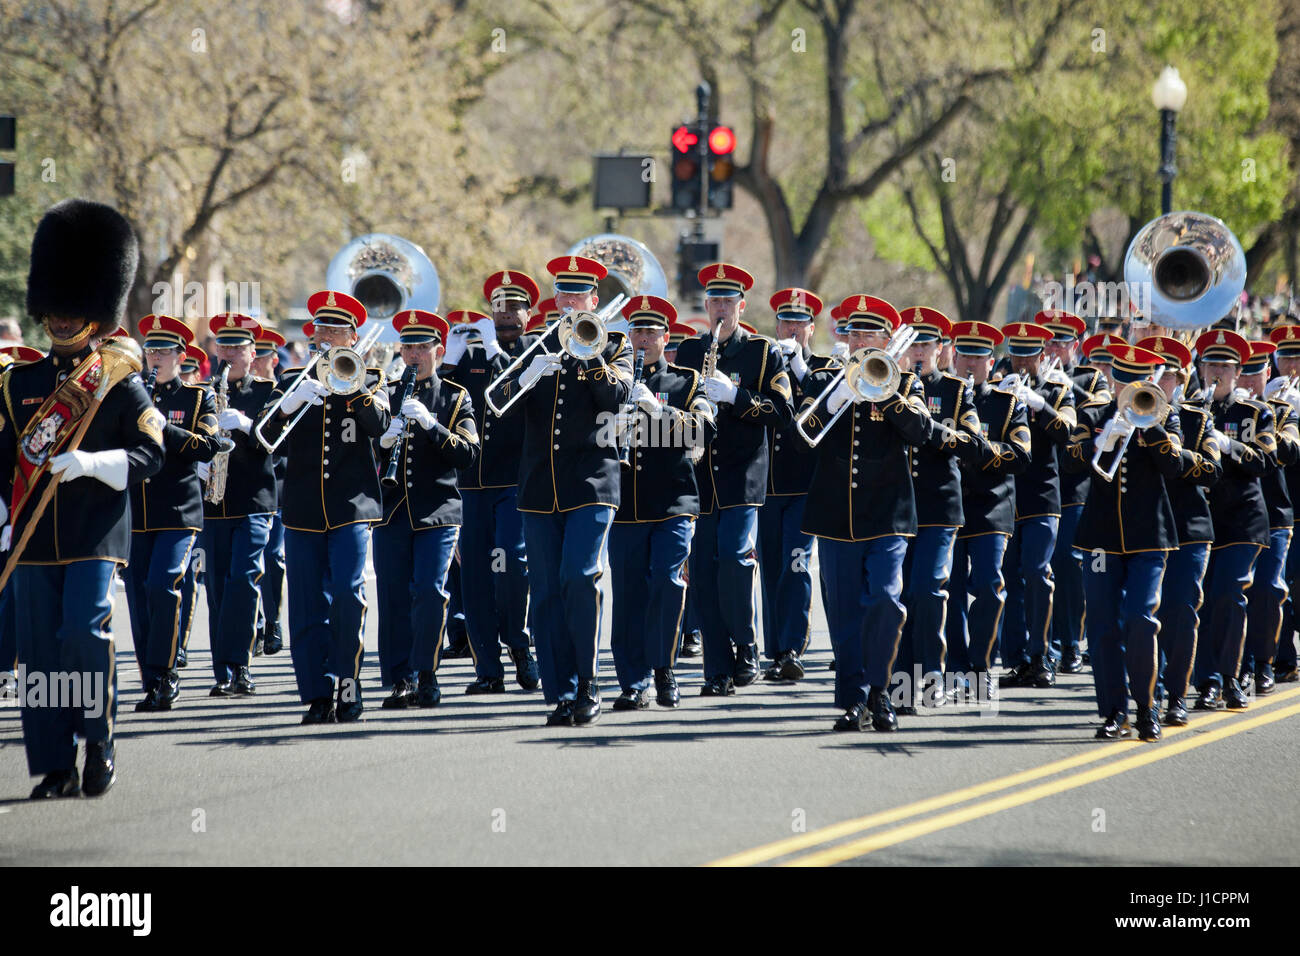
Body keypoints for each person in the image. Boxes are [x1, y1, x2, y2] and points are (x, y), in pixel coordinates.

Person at [0, 198, 165, 798]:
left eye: (76, 307)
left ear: (97, 310)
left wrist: (93, 463)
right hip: (34, 535)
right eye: (57, 308)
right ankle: (54, 762)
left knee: (82, 633)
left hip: (95, 531)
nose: (64, 319)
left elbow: (153, 452)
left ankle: (98, 737)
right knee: (40, 653)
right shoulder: (19, 383)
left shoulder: (119, 380)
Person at [487, 255, 632, 725]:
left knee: (578, 575)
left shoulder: (616, 345)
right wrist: (529, 375)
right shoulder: (533, 345)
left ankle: (589, 681)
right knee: (546, 590)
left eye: (579, 294)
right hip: (538, 487)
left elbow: (619, 400)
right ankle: (562, 689)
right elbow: (496, 404)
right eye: (563, 293)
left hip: (592, 482)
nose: (570, 301)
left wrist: (589, 361)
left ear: (595, 299)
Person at [797, 295, 933, 731]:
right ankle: (853, 699)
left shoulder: (906, 382)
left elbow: (922, 432)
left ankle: (880, 690)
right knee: (843, 613)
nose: (856, 341)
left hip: (887, 515)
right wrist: (836, 397)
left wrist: (886, 392)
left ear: (887, 340)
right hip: (836, 515)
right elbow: (803, 437)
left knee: (886, 600)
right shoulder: (826, 379)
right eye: (852, 333)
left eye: (866, 334)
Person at [259, 291, 391, 724]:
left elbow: (380, 426)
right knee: (305, 604)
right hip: (301, 508)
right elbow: (264, 436)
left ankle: (349, 688)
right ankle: (316, 694)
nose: (328, 337)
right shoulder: (294, 380)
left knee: (349, 596)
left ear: (354, 336)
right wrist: (290, 404)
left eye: (337, 330)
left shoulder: (370, 377)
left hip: (351, 507)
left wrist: (351, 388)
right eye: (322, 329)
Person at [672, 264, 793, 696]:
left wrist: (735, 396)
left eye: (729, 301)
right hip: (700, 478)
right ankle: (716, 670)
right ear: (705, 305)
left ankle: (747, 643)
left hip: (743, 476)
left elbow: (782, 411)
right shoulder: (688, 352)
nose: (721, 308)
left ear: (742, 306)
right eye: (714, 301)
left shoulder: (763, 353)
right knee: (703, 571)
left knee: (736, 560)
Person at [1065, 343, 1187, 740]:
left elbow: (1174, 465)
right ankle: (1114, 711)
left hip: (1149, 538)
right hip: (1101, 540)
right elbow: (1069, 457)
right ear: (1113, 379)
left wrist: (1148, 429)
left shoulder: (1165, 417)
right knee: (1101, 624)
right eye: (1122, 379)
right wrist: (1102, 442)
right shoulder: (1093, 414)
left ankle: (1147, 705)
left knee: (1140, 618)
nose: (1128, 387)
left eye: (1138, 380)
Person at [607, 295, 715, 709]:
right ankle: (633, 682)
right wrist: (614, 424)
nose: (643, 339)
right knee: (629, 595)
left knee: (668, 586)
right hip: (628, 506)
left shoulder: (687, 382)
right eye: (637, 331)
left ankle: (663, 667)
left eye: (652, 332)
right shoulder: (615, 382)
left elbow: (704, 431)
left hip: (674, 503)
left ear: (665, 337)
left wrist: (658, 412)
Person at [374, 310, 479, 709]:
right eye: (408, 346)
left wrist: (433, 427)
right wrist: (381, 441)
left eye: (422, 347)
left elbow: (468, 453)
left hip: (438, 510)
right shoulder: (384, 392)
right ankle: (400, 678)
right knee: (393, 595)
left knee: (431, 593)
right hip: (392, 510)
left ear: (440, 350)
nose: (414, 354)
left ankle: (427, 673)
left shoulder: (455, 396)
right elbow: (362, 452)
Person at [442, 278, 540, 693]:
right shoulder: (470, 350)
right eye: (497, 304)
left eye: (514, 305)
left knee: (512, 567)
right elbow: (441, 394)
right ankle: (488, 668)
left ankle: (520, 645)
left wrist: (497, 355)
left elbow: (515, 393)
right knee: (475, 576)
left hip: (514, 481)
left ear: (527, 313)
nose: (504, 311)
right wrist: (450, 355)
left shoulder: (536, 350)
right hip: (470, 484)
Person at [127, 315, 222, 711]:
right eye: (151, 350)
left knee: (162, 584)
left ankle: (165, 673)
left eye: (164, 351)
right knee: (137, 595)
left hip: (178, 512)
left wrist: (166, 428)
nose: (155, 357)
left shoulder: (200, 398)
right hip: (136, 513)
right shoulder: (131, 395)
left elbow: (208, 446)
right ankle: (151, 680)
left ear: (182, 356)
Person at [894, 306, 986, 712]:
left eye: (926, 344)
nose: (918, 352)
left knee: (928, 590)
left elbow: (975, 444)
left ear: (941, 348)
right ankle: (899, 685)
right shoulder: (887, 384)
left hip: (939, 508)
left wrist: (930, 431)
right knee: (898, 596)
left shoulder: (955, 390)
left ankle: (932, 675)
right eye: (912, 343)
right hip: (896, 506)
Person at [943, 322, 1031, 701]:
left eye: (978, 357)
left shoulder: (1007, 402)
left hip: (992, 505)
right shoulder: (941, 397)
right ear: (953, 356)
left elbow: (1022, 454)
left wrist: (981, 450)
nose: (970, 364)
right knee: (951, 590)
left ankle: (981, 663)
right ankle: (956, 666)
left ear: (990, 362)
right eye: (964, 355)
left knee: (989, 587)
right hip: (949, 504)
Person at [1135, 335, 1220, 726]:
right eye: (1151, 373)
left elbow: (1212, 469)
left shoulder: (1199, 419)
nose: (1158, 381)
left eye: (1166, 374)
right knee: (1144, 614)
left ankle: (1176, 695)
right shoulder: (1130, 416)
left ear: (1182, 380)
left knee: (1181, 610)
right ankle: (1143, 697)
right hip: (1146, 527)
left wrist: (1170, 448)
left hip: (1188, 526)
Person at [1191, 329, 1274, 711]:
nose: (1217, 374)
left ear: (1239, 373)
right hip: (1201, 519)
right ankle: (1206, 681)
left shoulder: (1257, 413)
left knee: (1228, 595)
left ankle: (1229, 677)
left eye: (1225, 366)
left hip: (1242, 519)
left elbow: (1266, 462)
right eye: (1211, 365)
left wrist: (1230, 446)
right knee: (1203, 602)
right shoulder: (1190, 411)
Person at [199, 314, 277, 698]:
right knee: (217, 588)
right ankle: (222, 672)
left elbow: (276, 443)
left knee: (244, 580)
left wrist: (249, 425)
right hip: (213, 505)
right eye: (223, 346)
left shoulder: (267, 392)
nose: (229, 353)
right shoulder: (202, 393)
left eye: (237, 347)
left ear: (252, 352)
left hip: (253, 502)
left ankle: (241, 665)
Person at [759, 288, 834, 682]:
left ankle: (792, 648)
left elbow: (828, 409)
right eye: (786, 321)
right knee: (771, 569)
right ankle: (774, 649)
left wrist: (801, 372)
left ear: (811, 328)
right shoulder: (766, 362)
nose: (792, 328)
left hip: (806, 488)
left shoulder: (823, 367)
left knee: (796, 565)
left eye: (800, 322)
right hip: (767, 487)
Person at [996, 322, 1076, 689]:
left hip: (1043, 496)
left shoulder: (1059, 389)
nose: (1022, 362)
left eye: (1029, 355)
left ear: (1043, 355)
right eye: (1017, 354)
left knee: (1037, 572)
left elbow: (1067, 432)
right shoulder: (1000, 385)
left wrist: (1040, 405)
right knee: (1008, 578)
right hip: (1007, 497)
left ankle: (1041, 653)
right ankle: (1016, 659)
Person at [1041, 310, 1100, 673]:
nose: (1052, 347)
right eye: (1048, 340)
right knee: (1038, 566)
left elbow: (1096, 418)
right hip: (1039, 482)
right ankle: (1044, 642)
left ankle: (1071, 640)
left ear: (1074, 346)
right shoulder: (1028, 372)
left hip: (1076, 483)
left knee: (1067, 561)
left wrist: (1066, 387)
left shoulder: (1089, 378)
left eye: (1061, 342)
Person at [1239, 341, 1299, 695]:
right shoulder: (1224, 408)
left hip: (1275, 513)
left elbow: (1290, 451)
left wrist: (1281, 414)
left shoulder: (1282, 410)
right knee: (1233, 593)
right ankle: (1238, 667)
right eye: (1241, 372)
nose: (1248, 380)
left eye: (1253, 373)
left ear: (1266, 373)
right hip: (1236, 517)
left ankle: (1265, 660)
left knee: (1266, 590)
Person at [252, 326, 287, 656]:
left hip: (276, 487)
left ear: (273, 360)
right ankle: (256, 622)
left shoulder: (281, 393)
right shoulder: (243, 390)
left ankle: (273, 619)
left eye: (260, 356)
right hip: (247, 489)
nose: (253, 362)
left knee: (273, 557)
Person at [1268, 324, 1300, 681]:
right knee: (1281, 583)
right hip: (1281, 502)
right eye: (1285, 356)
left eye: (1297, 356)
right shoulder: (1268, 393)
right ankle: (1283, 658)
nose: (1291, 364)